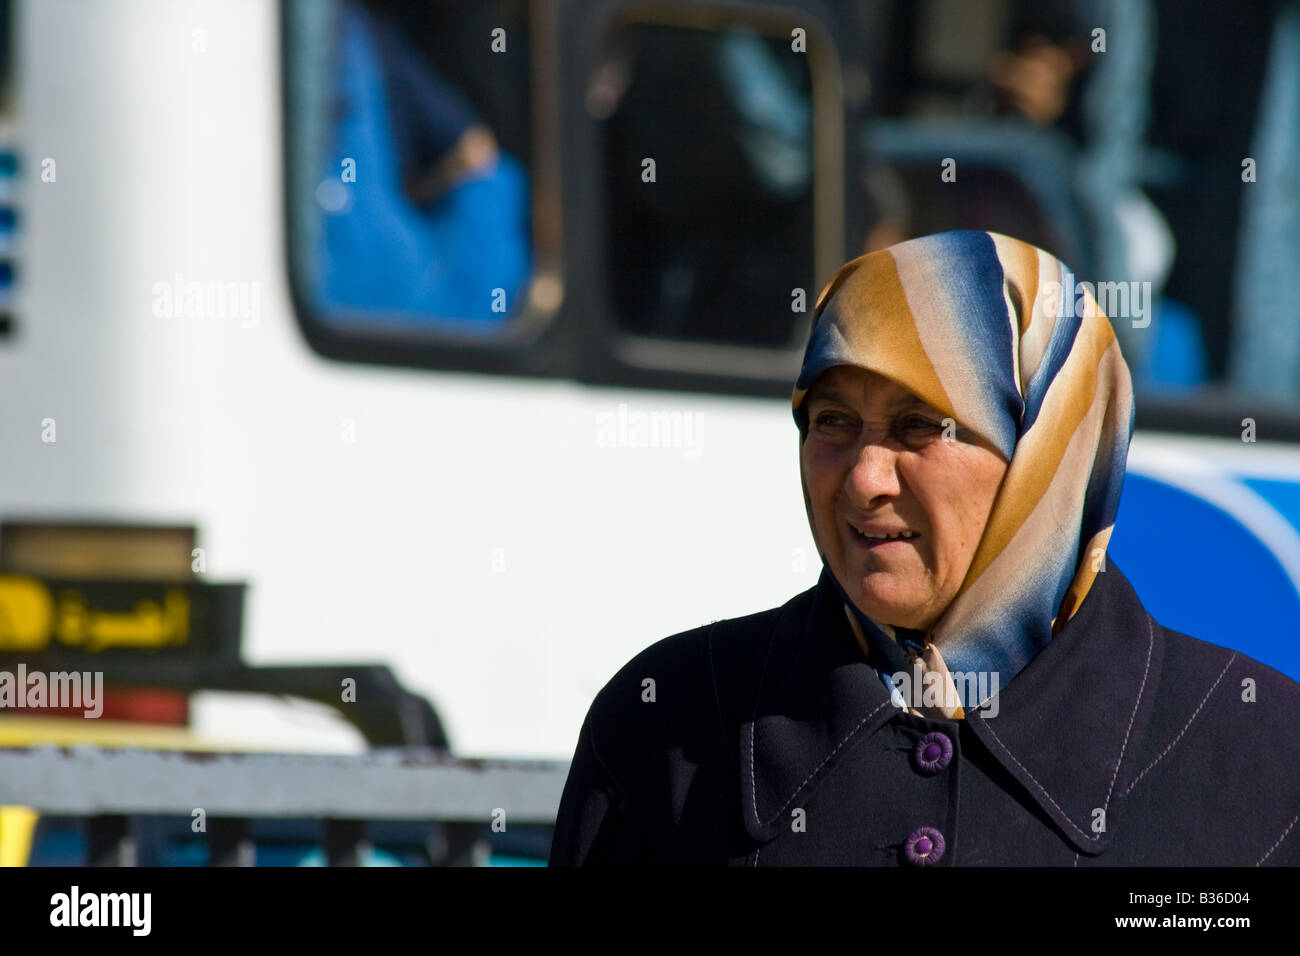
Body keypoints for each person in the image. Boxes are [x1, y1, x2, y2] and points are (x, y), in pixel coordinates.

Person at [548, 230, 1300, 866]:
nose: (865, 479)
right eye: (832, 421)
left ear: (1049, 454)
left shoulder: (1254, 753)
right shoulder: (671, 724)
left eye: (921, 426)